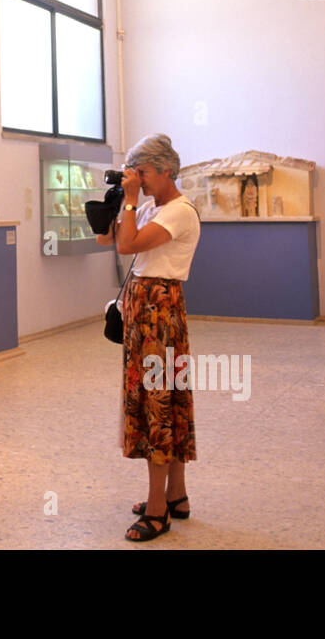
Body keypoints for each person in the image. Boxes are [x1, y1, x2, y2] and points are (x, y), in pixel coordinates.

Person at [97, 133, 201, 541]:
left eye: (142, 173)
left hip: (160, 310)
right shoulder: (149, 208)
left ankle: (158, 511)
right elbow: (107, 239)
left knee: (158, 403)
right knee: (164, 398)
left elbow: (128, 246)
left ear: (166, 171)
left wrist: (128, 201)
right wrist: (115, 203)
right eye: (133, 173)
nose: (137, 180)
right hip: (144, 309)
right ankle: (177, 495)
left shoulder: (179, 212)